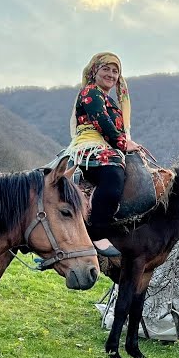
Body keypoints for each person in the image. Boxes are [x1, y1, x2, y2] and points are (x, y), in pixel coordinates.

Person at [60, 51, 146, 258]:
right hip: (91, 146)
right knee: (112, 176)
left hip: (109, 145)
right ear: (94, 71)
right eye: (105, 69)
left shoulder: (111, 101)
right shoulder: (90, 93)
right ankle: (96, 233)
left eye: (115, 71)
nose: (111, 74)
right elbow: (103, 123)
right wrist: (125, 144)